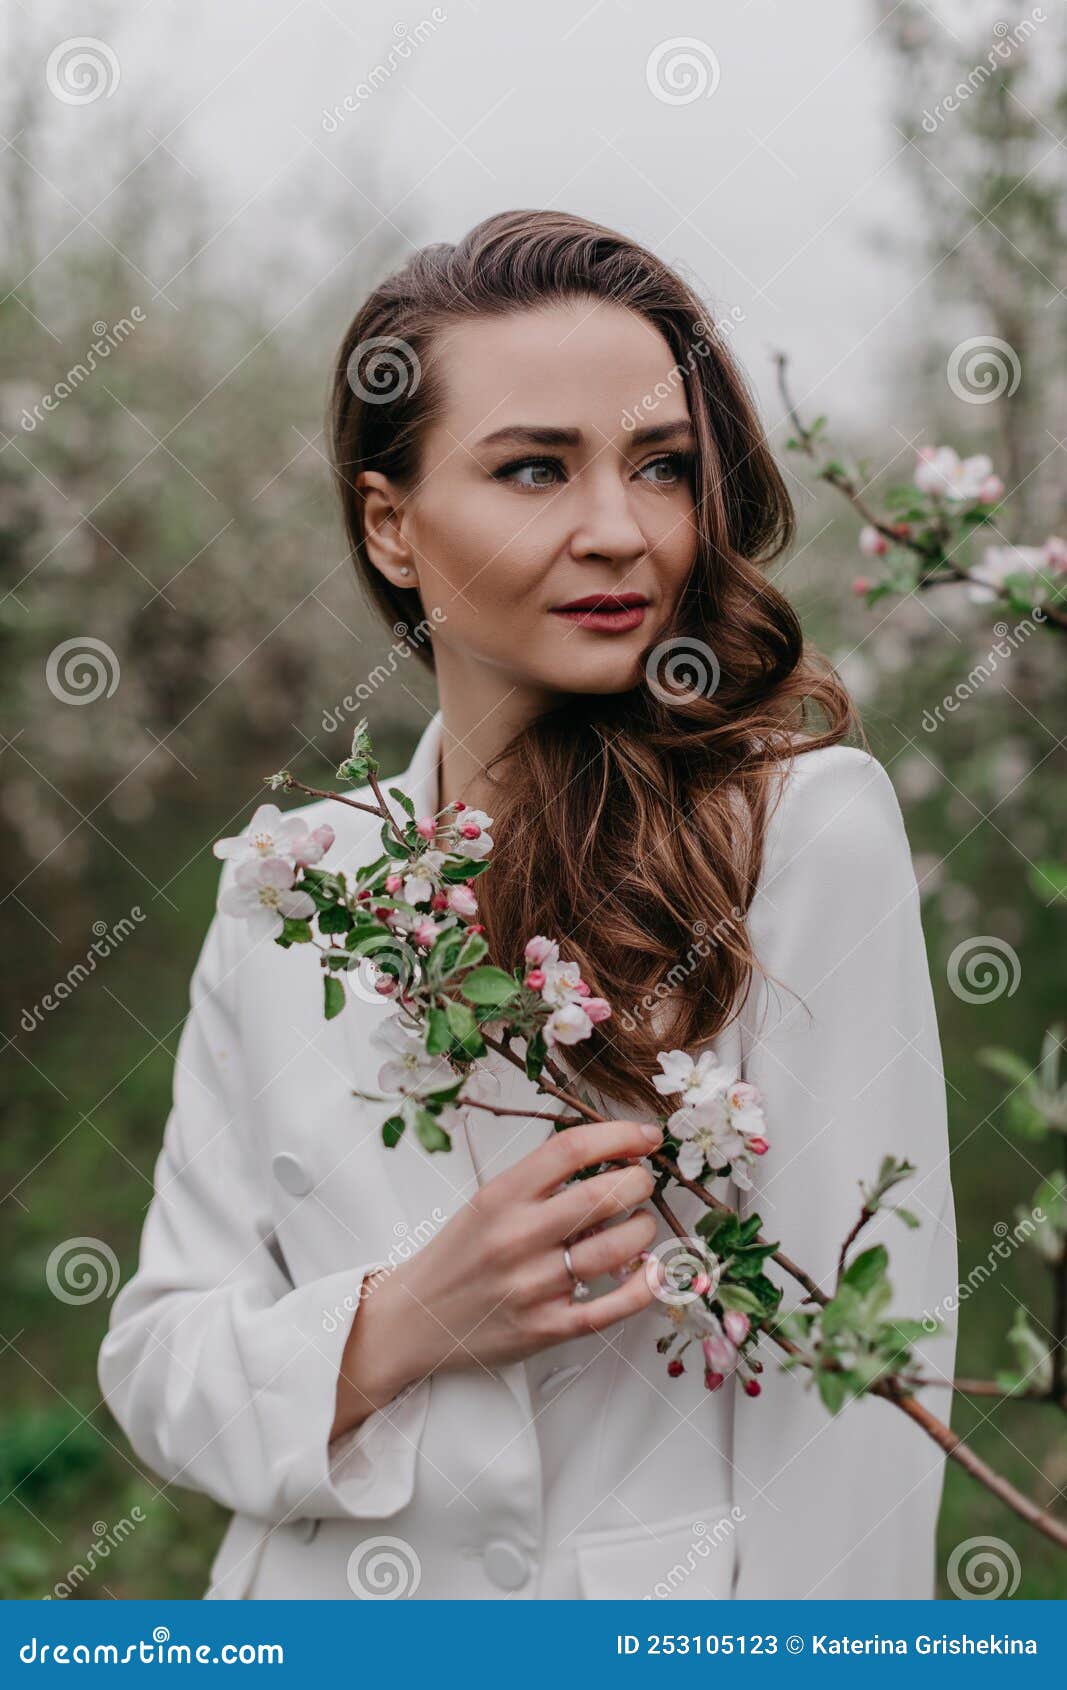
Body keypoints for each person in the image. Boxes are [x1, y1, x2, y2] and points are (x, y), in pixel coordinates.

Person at [97, 209, 959, 1601]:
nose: (618, 529)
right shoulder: (294, 883)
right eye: (535, 469)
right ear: (392, 525)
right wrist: (404, 1318)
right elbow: (160, 1360)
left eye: (661, 466)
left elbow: (857, 1401)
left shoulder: (796, 830)